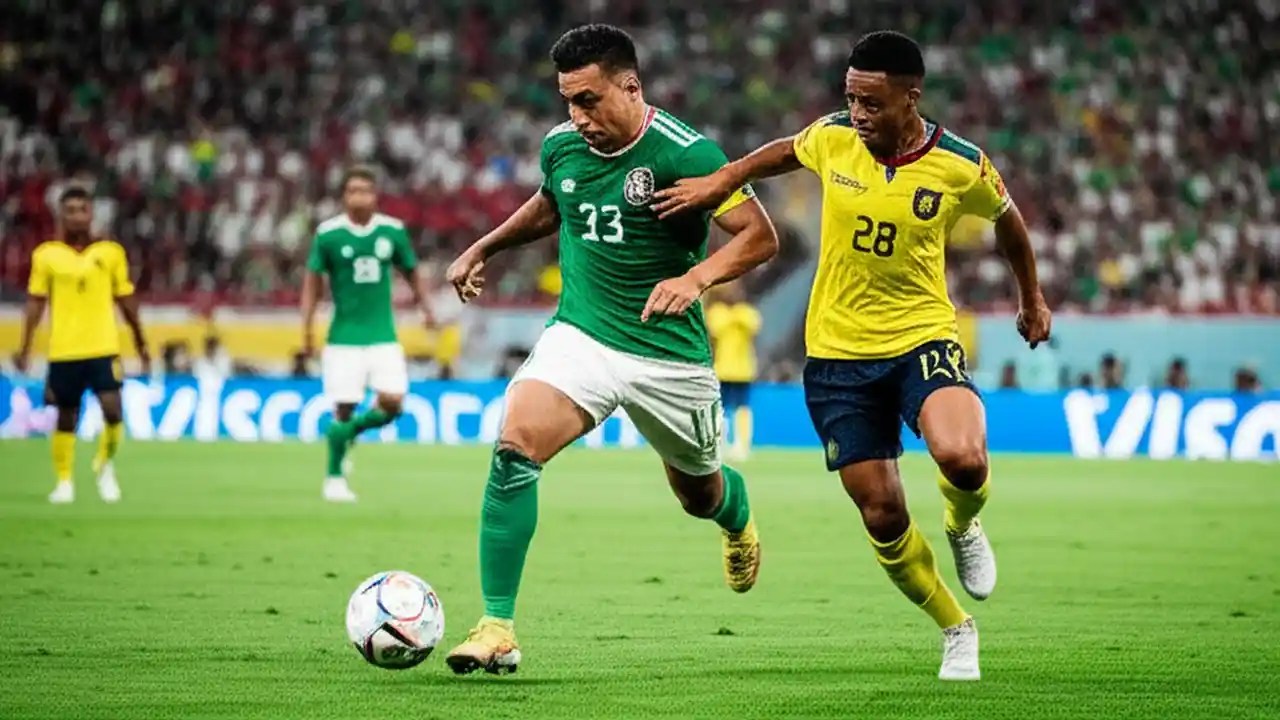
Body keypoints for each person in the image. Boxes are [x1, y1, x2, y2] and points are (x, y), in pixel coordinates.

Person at [651, 30, 1052, 681]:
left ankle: (961, 524)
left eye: (871, 102)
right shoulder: (833, 136)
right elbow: (782, 152)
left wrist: (1030, 299)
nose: (857, 114)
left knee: (964, 457)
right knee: (884, 513)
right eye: (849, 98)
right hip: (837, 357)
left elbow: (1010, 224)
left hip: (922, 335)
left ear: (910, 97)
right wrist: (722, 179)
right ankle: (956, 628)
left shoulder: (960, 163)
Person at [443, 24, 780, 675]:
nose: (578, 116)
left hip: (668, 355)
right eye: (569, 100)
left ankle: (737, 517)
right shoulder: (563, 147)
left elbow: (759, 237)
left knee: (699, 494)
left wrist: (695, 277)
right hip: (584, 337)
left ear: (631, 86)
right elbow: (553, 205)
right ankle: (496, 625)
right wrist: (485, 246)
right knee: (515, 446)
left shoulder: (686, 152)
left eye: (590, 99)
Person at [301, 166, 436, 503]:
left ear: (375, 196)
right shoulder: (328, 235)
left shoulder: (392, 232)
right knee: (343, 407)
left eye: (365, 190)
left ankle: (349, 435)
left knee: (394, 404)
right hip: (343, 337)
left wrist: (426, 309)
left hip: (382, 335)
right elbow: (312, 286)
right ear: (344, 196)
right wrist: (306, 328)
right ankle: (334, 478)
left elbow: (412, 271)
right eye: (352, 191)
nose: (359, 196)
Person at [17, 186, 152, 504]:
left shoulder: (110, 253)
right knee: (66, 416)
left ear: (92, 214)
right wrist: (25, 347)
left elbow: (126, 301)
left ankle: (104, 465)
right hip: (64, 348)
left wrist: (141, 342)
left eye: (83, 209)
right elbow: (36, 303)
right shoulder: (46, 255)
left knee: (113, 409)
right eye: (71, 210)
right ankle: (64, 482)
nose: (78, 216)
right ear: (60, 215)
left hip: (104, 347)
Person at [705, 281, 762, 461]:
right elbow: (717, 328)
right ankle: (719, 442)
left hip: (742, 370)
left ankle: (741, 444)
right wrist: (735, 316)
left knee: (742, 408)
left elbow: (754, 325)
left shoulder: (746, 312)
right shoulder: (717, 313)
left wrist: (736, 315)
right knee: (720, 409)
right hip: (722, 369)